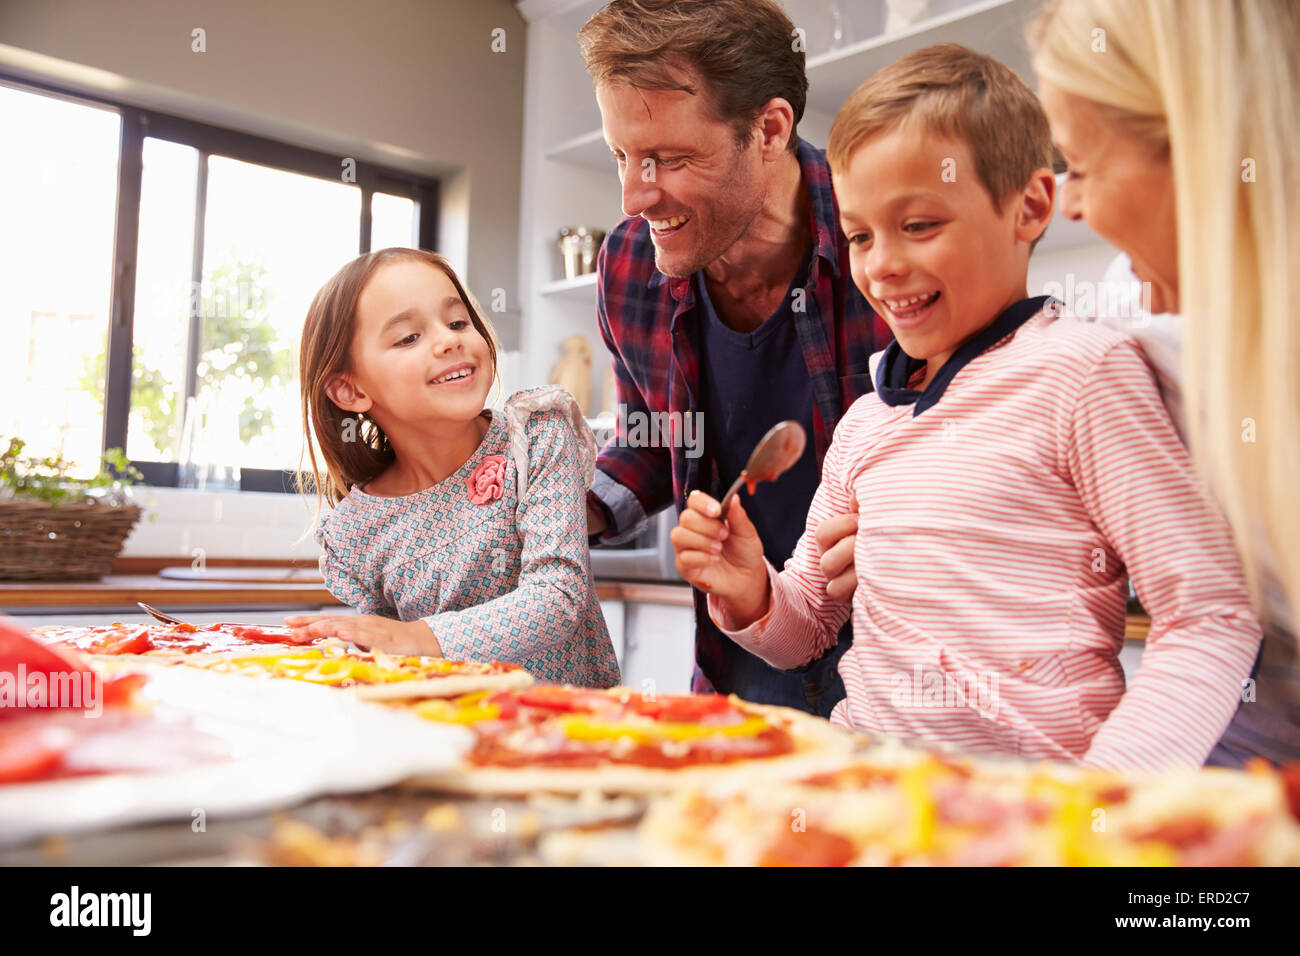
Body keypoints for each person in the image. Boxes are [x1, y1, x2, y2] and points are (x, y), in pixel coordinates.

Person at [671, 44, 1262, 770]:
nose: (881, 264)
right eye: (859, 235)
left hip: (1035, 812)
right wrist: (753, 590)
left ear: (1031, 207)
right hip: (872, 788)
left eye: (918, 225)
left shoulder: (1086, 372)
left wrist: (1104, 801)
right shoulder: (866, 423)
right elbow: (811, 626)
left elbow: (1208, 612)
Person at [576, 0, 891, 714]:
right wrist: (566, 514)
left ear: (770, 129)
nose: (633, 196)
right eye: (621, 155)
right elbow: (654, 443)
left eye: (672, 159)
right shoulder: (629, 264)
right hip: (740, 650)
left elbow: (966, 428)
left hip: (894, 658)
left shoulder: (882, 238)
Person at [1026, 0, 1300, 765]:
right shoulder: (1129, 303)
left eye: (1079, 165)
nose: (1068, 203)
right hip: (1230, 745)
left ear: (1207, 150)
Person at [284, 248, 620, 688]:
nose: (449, 340)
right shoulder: (356, 530)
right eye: (408, 338)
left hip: (577, 737)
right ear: (350, 391)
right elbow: (390, 664)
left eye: (458, 322)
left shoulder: (536, 434)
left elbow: (555, 599)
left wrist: (417, 636)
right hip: (449, 743)